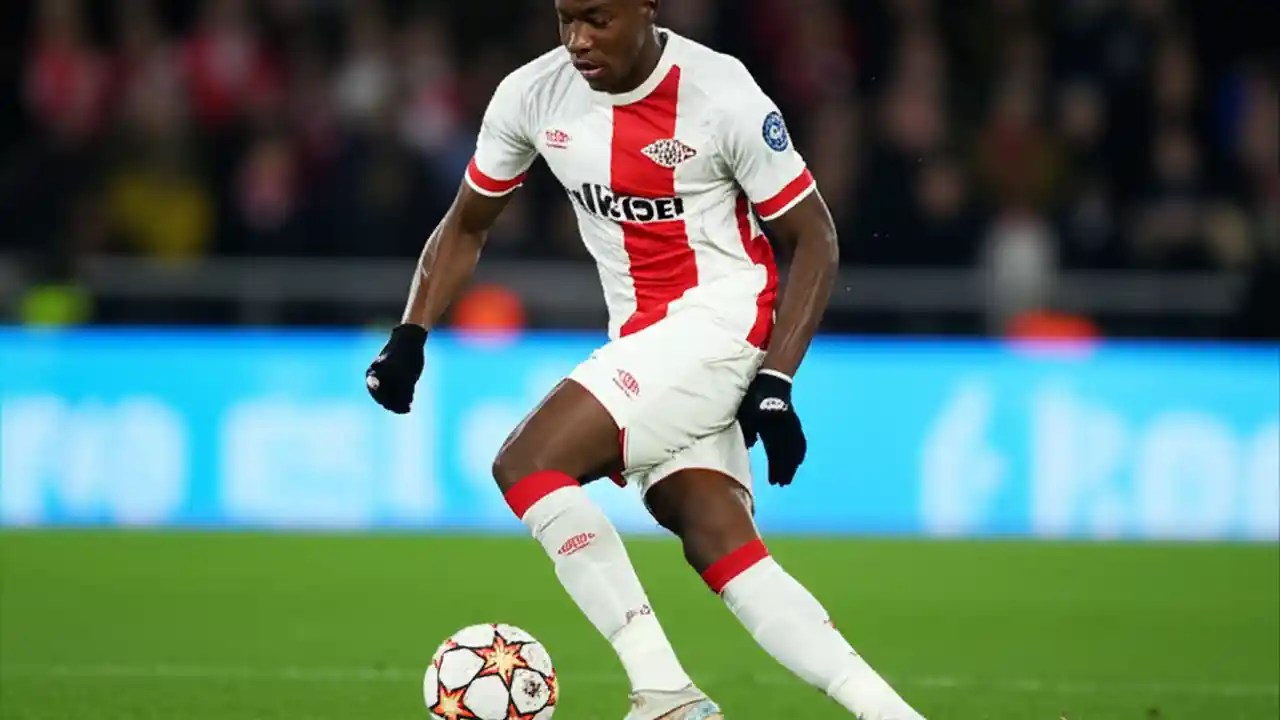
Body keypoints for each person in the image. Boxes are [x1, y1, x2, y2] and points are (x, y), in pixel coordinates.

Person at [366, 1, 925, 718]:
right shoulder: (531, 95)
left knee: (526, 462)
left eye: (597, 19)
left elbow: (814, 237)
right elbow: (467, 222)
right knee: (720, 543)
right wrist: (412, 332)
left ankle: (664, 695)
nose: (577, 40)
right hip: (645, 340)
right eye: (566, 18)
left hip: (723, 321)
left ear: (646, 7)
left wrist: (778, 380)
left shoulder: (721, 94)